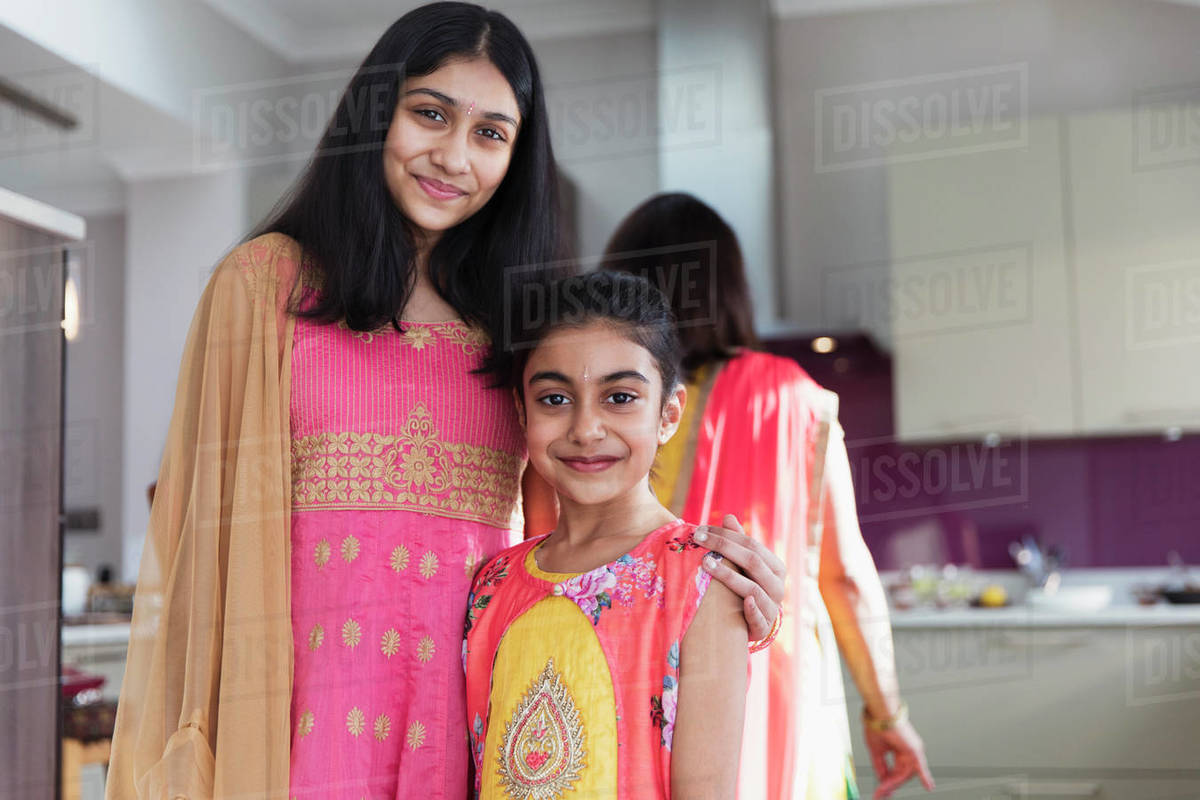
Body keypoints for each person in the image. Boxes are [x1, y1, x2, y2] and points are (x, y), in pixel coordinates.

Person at [106, 7, 785, 798]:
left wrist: (711, 588)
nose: (454, 156)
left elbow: (574, 541)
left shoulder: (518, 322)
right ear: (376, 113)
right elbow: (201, 539)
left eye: (491, 134)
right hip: (288, 739)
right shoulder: (267, 287)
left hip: (472, 739)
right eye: (430, 113)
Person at [603, 193, 936, 800]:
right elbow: (846, 579)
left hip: (627, 698)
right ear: (731, 287)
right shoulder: (795, 400)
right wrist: (887, 716)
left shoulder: (603, 410)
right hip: (777, 709)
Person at [464, 271, 748, 799]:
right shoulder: (491, 583)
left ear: (668, 414)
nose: (586, 429)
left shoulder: (702, 578)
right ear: (521, 410)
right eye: (554, 399)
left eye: (619, 397)